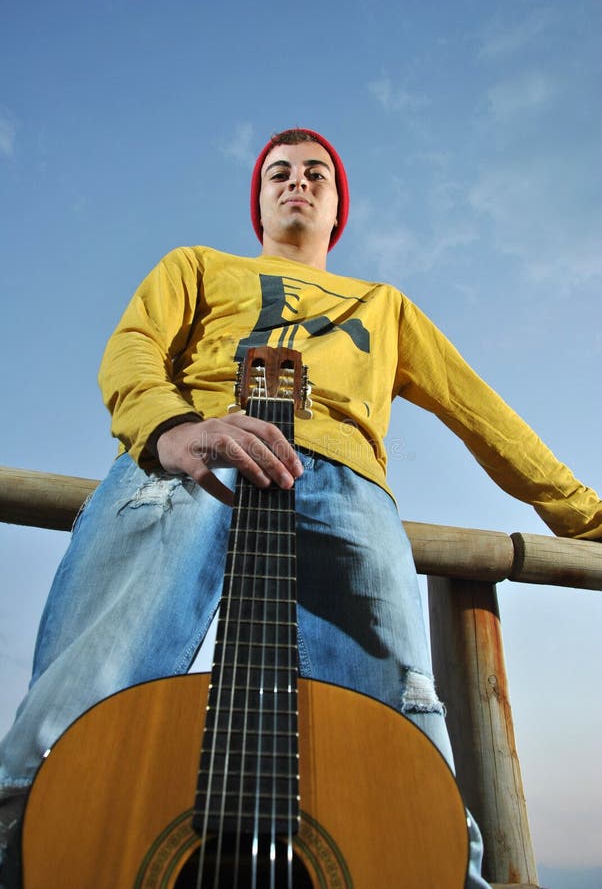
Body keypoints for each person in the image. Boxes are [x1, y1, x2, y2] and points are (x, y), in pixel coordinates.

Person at [1, 128, 600, 889]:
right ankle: (21, 838)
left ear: (338, 206)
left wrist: (589, 519)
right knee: (88, 687)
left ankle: (446, 870)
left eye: (317, 173)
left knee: (399, 724)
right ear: (258, 200)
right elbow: (132, 348)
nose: (298, 182)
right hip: (201, 452)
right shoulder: (197, 266)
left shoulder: (384, 307)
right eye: (279, 172)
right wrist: (173, 429)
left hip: (343, 479)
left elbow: (489, 419)